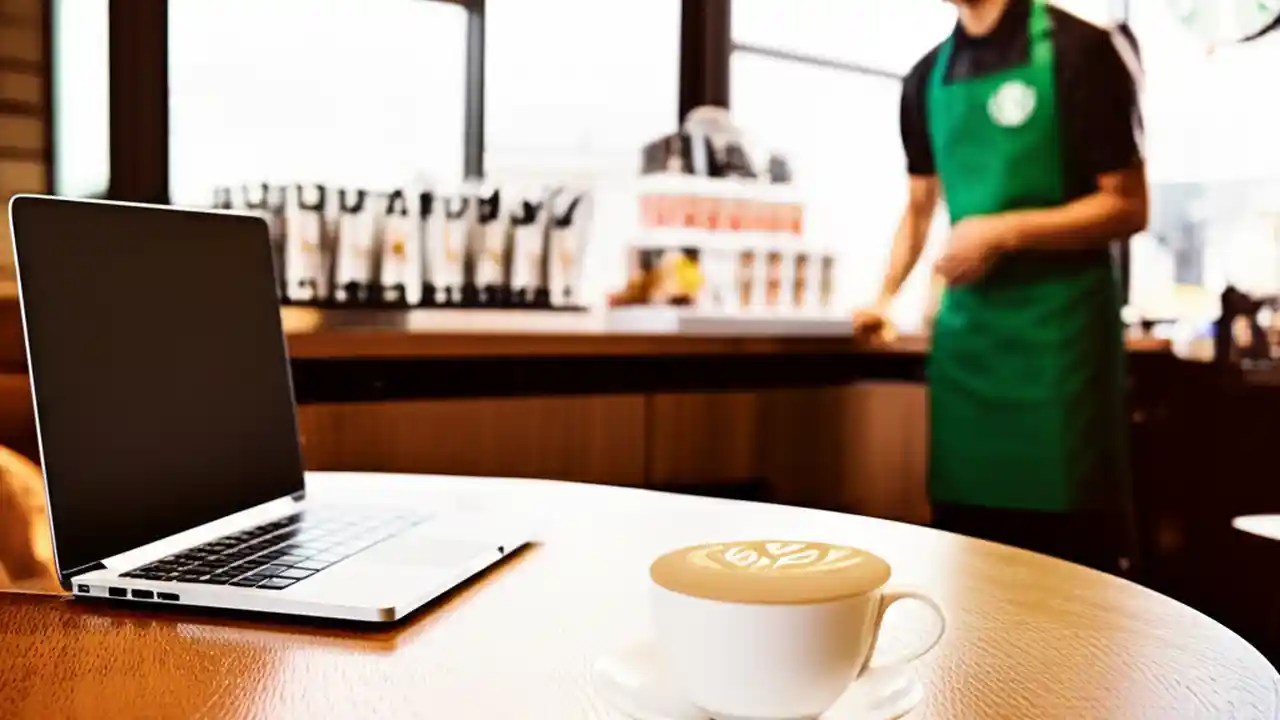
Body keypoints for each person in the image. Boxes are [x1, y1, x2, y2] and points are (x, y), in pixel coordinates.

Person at [853, 0, 1148, 572]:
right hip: (968, 353)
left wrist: (1005, 231)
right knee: (966, 549)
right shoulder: (924, 78)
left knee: (1066, 559)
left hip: (1060, 349)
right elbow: (919, 208)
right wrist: (883, 297)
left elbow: (1128, 204)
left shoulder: (1083, 50)